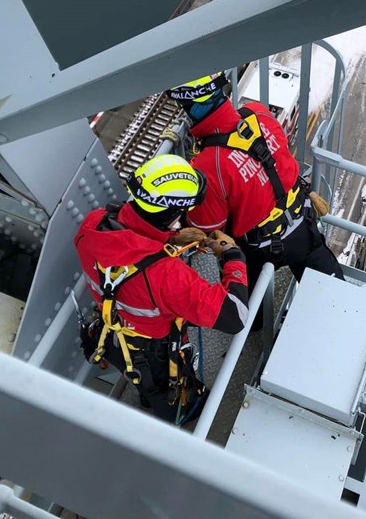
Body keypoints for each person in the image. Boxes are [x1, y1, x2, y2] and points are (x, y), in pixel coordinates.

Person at [74, 153, 248, 425]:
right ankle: (181, 420)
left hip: (113, 338)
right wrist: (233, 256)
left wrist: (170, 237)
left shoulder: (93, 224)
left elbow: (130, 242)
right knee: (173, 402)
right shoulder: (168, 275)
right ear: (172, 213)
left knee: (143, 384)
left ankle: (147, 398)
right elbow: (235, 316)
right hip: (157, 357)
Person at [166, 73, 344, 294]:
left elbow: (205, 227)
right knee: (332, 293)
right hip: (302, 223)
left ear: (188, 106)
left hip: (257, 250)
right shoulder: (257, 112)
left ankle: (254, 315)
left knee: (246, 302)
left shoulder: (209, 165)